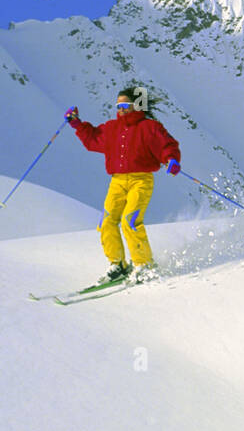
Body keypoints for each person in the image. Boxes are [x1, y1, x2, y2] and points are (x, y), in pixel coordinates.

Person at [66, 86, 181, 285]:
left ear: (138, 105)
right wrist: (77, 124)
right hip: (117, 181)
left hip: (141, 180)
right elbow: (93, 139)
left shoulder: (150, 127)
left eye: (125, 105)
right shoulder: (112, 128)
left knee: (130, 220)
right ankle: (117, 265)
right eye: (118, 105)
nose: (121, 109)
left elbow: (167, 145)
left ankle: (144, 265)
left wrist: (171, 159)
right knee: (106, 222)